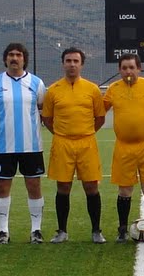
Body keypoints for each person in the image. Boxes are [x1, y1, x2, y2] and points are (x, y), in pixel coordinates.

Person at [0, 41, 47, 243]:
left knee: (34, 186)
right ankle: (3, 231)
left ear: (24, 59)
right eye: (10, 54)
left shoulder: (37, 83)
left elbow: (43, 109)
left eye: (18, 55)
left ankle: (36, 231)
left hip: (31, 146)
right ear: (5, 59)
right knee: (2, 188)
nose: (14, 58)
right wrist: (2, 129)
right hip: (4, 147)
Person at [40, 47, 107, 242]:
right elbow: (47, 118)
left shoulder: (92, 89)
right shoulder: (53, 90)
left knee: (91, 186)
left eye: (75, 61)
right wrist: (62, 134)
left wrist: (85, 132)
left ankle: (96, 231)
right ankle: (62, 231)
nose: (72, 64)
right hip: (62, 143)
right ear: (63, 64)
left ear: (81, 64)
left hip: (86, 142)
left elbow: (100, 118)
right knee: (63, 187)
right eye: (68, 61)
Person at [104, 53, 144, 241]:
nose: (128, 71)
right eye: (124, 68)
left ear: (139, 68)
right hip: (124, 146)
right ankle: (122, 230)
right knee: (124, 189)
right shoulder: (113, 89)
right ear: (119, 70)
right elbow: (97, 111)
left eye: (131, 67)